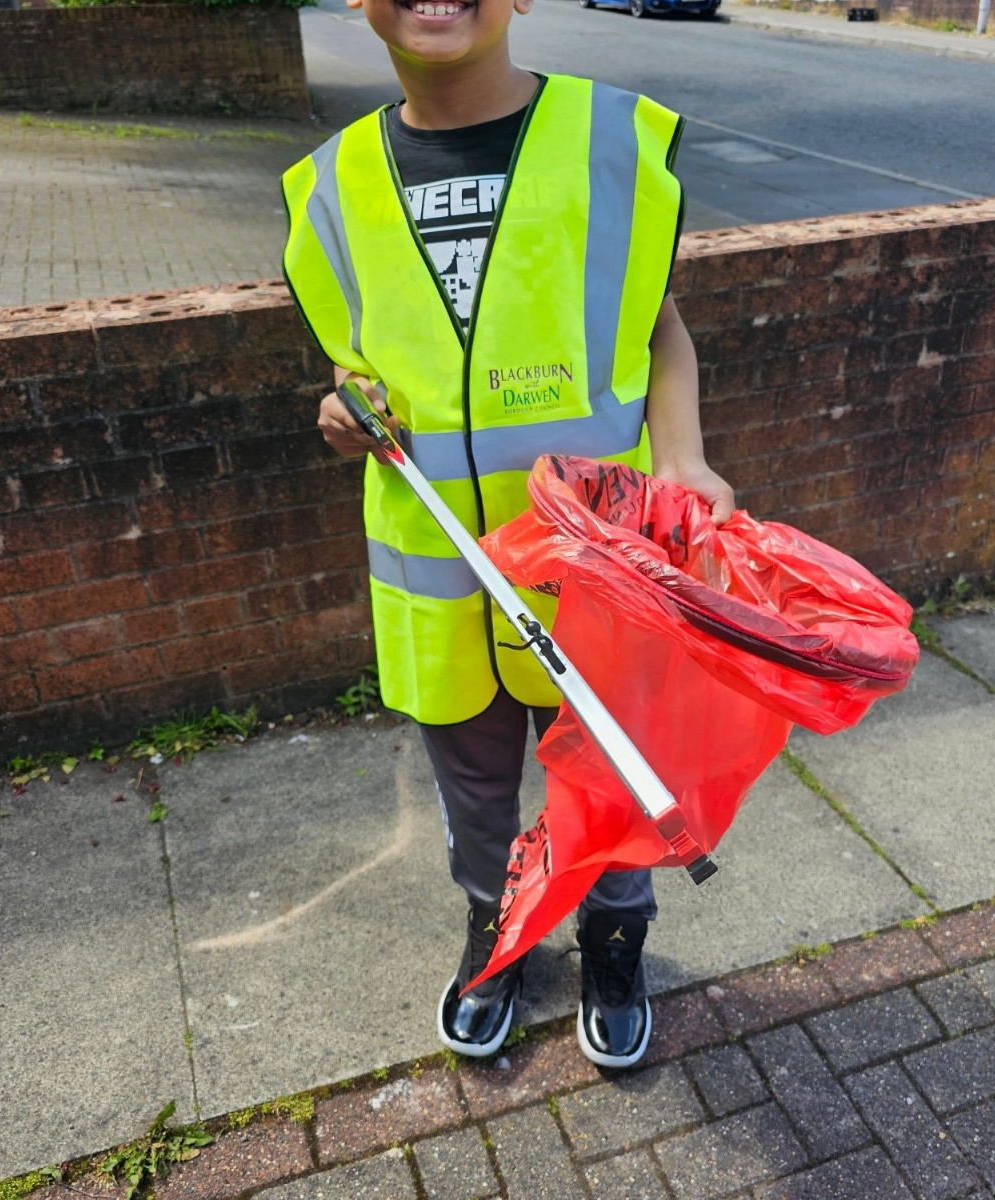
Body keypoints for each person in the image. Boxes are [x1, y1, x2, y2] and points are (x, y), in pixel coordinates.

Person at [280, 0, 734, 1069]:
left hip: (587, 562)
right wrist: (342, 406)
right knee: (475, 792)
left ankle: (615, 937)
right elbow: (364, 359)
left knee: (606, 776)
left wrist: (684, 455)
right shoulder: (330, 187)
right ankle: (496, 928)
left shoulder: (607, 138)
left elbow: (653, 317)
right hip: (440, 574)